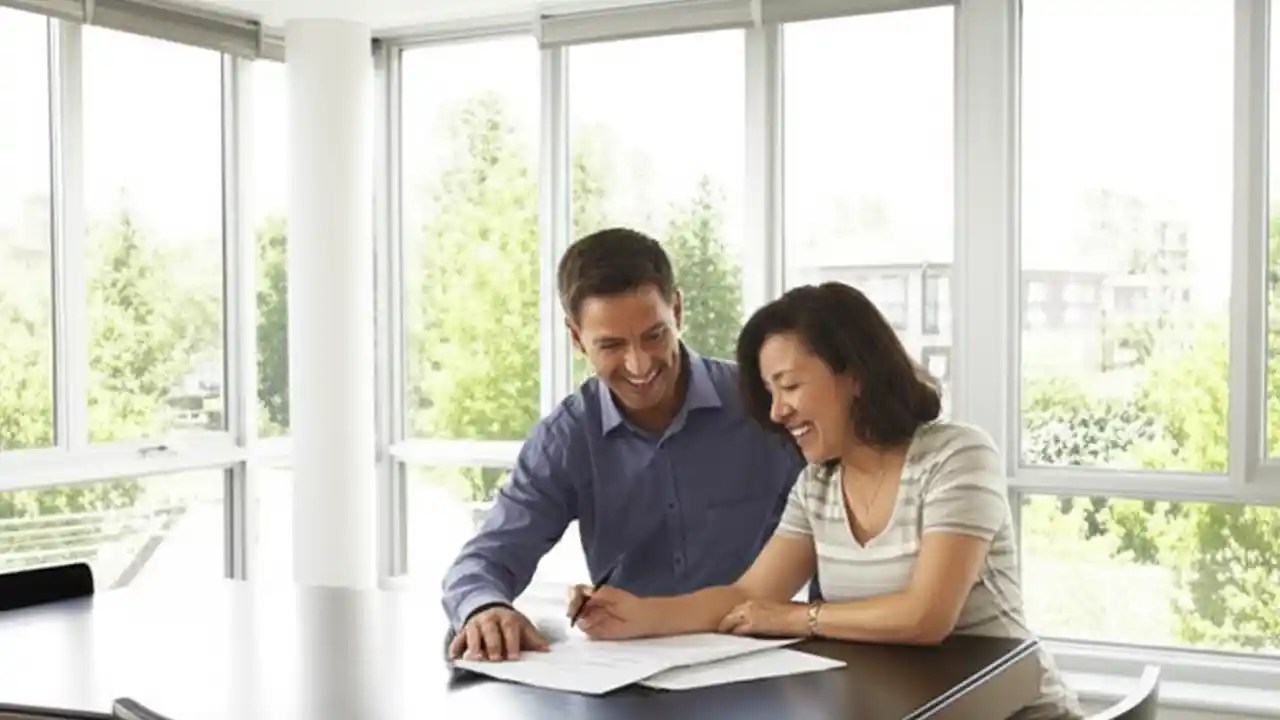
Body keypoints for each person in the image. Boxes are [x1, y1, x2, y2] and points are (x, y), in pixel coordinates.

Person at [567, 282, 1083, 720]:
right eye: (769, 391)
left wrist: (796, 618)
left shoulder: (955, 455)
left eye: (789, 386)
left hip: (1016, 711)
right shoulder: (818, 485)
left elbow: (926, 616)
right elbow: (747, 595)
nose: (777, 411)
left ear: (854, 374)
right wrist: (638, 615)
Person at [443, 227, 804, 662]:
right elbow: (486, 559)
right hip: (629, 676)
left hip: (766, 661)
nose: (639, 364)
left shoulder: (763, 406)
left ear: (678, 309)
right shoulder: (567, 438)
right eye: (611, 345)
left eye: (654, 335)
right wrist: (485, 606)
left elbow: (837, 519)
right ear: (577, 338)